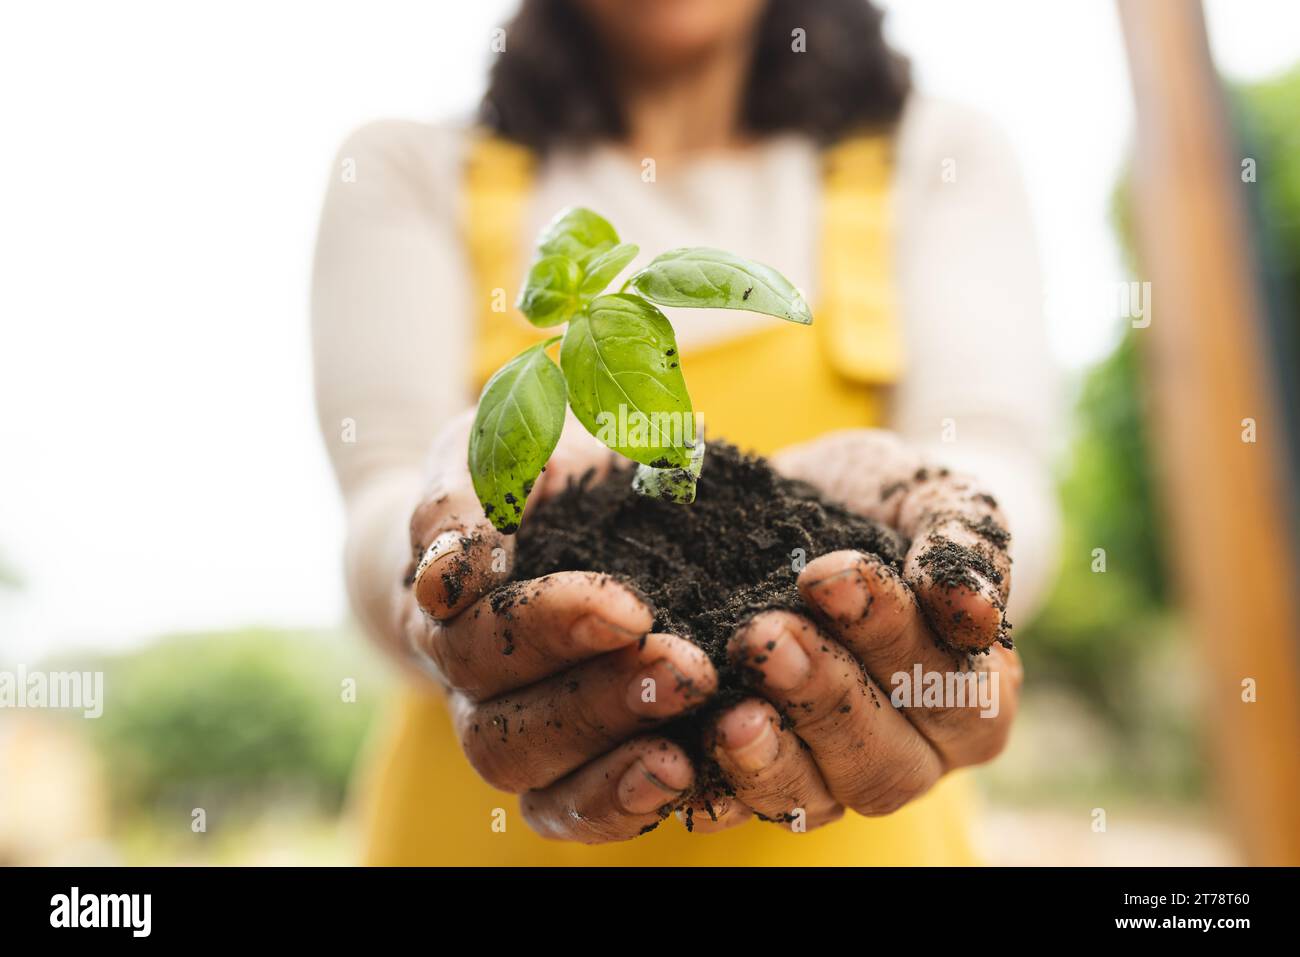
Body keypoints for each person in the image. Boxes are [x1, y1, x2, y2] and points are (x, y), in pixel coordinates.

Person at [311, 0, 1058, 865]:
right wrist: (435, 588)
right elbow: (386, 491)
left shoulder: (933, 153)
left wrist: (957, 581)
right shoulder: (409, 167)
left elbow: (996, 459)